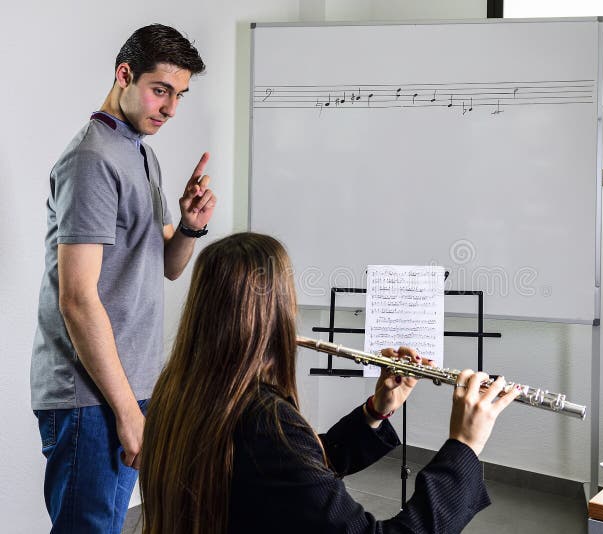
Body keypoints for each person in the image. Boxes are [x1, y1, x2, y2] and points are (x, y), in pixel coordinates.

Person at [140, 232, 520, 533]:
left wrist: (375, 411)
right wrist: (463, 446)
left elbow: (292, 470)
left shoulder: (177, 392)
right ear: (270, 312)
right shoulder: (264, 418)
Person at [30, 24, 216, 533]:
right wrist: (127, 413)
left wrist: (190, 225)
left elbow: (167, 266)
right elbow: (76, 299)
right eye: (161, 90)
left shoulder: (140, 152)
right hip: (90, 396)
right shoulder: (91, 159)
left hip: (125, 387)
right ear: (124, 75)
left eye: (179, 95)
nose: (170, 108)